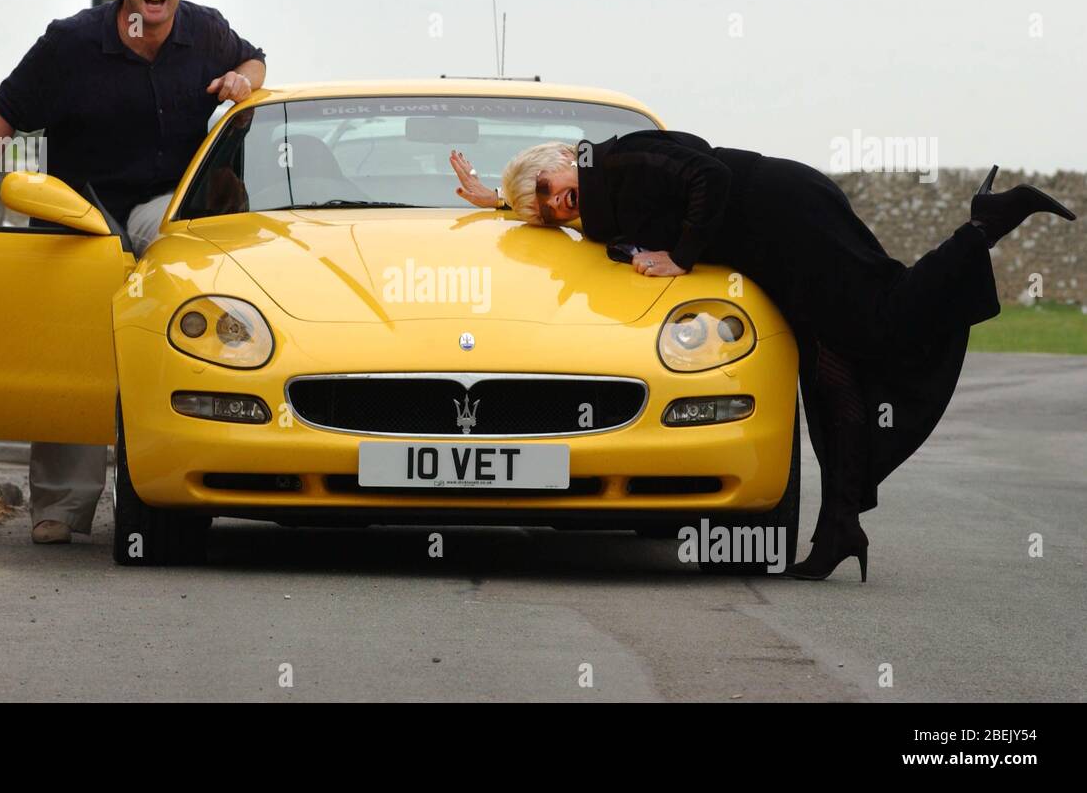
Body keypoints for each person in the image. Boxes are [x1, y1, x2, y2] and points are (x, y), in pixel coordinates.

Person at [449, 132, 1075, 581]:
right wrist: (498, 200)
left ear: (563, 156)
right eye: (542, 207)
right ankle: (839, 527)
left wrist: (681, 257)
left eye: (549, 189)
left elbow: (711, 178)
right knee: (831, 377)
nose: (555, 204)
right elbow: (547, 196)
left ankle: (985, 224)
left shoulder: (619, 158)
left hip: (788, 216)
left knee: (882, 322)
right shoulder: (593, 196)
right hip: (771, 251)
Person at [0, 0, 267, 545]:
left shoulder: (208, 32)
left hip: (158, 205)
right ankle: (61, 509)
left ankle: (181, 473)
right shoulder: (70, 42)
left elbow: (255, 58)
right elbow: (5, 107)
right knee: (76, 346)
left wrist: (243, 81)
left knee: (179, 279)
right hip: (77, 209)